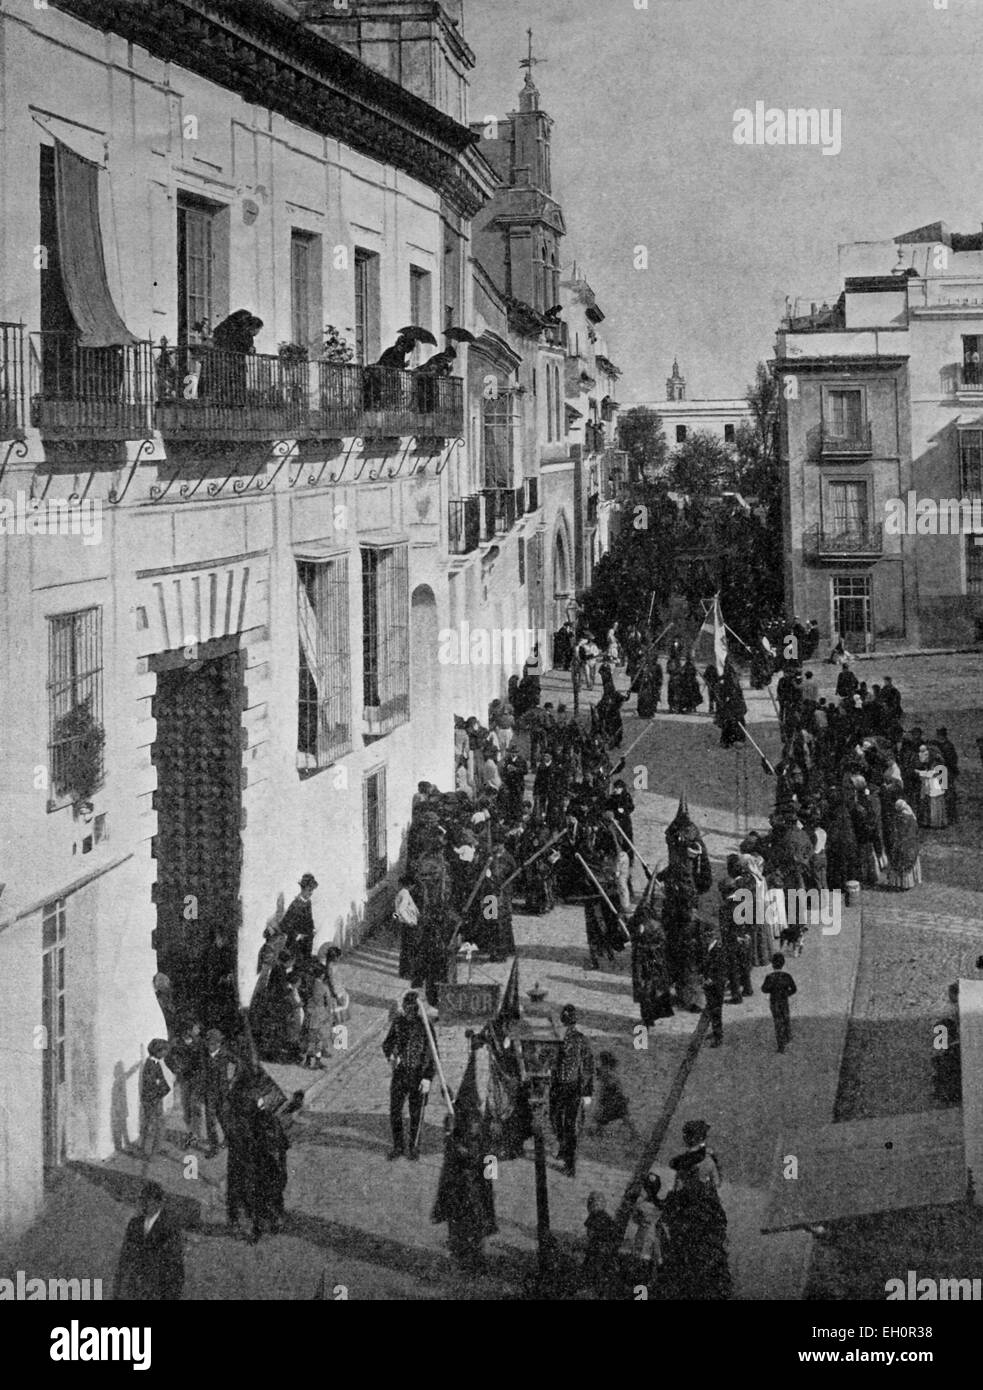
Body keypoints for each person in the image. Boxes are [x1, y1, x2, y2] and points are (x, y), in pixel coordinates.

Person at [382, 991, 436, 1160]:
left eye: (412, 1009)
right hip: (400, 1073)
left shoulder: (426, 1026)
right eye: (406, 1009)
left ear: (418, 1010)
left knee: (416, 1113)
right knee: (395, 1111)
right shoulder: (398, 1023)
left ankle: (413, 1147)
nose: (409, 1013)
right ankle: (398, 1146)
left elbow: (434, 1054)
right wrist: (391, 1055)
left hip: (418, 1075)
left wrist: (428, 1077)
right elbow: (387, 1043)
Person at [114, 1182, 185, 1300]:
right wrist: (117, 1289)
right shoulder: (134, 1224)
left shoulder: (169, 1227)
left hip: (156, 1291)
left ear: (158, 1202)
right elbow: (124, 1258)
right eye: (143, 1200)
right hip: (133, 1290)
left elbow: (175, 1267)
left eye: (148, 1200)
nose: (144, 1204)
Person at [550, 1004, 594, 1177]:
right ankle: (562, 1146)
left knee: (571, 1125)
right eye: (566, 1023)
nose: (568, 1027)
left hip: (573, 1088)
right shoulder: (557, 1038)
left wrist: (587, 1093)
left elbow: (589, 1067)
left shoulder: (582, 1040)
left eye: (570, 1023)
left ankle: (570, 1163)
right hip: (557, 1087)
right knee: (555, 1118)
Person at [581, 1192, 621, 1298]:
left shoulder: (601, 1217)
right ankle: (597, 1288)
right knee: (595, 1267)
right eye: (593, 1205)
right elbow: (590, 1232)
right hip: (599, 1247)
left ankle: (599, 1290)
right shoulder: (597, 1217)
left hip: (601, 1247)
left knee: (598, 1268)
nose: (595, 1207)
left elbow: (592, 1233)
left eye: (597, 1205)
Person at [201, 1028, 233, 1157]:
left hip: (223, 1093)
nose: (210, 1046)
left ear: (219, 1044)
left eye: (213, 1044)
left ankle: (228, 1138)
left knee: (223, 1118)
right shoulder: (204, 1055)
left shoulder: (225, 1054)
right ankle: (214, 1148)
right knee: (210, 1121)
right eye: (208, 1043)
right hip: (209, 1093)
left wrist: (233, 1080)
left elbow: (240, 1064)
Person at [139, 1040, 171, 1159]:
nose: (166, 1053)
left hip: (154, 1098)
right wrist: (160, 1090)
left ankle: (152, 1149)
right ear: (158, 1051)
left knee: (153, 1124)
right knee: (153, 1125)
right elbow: (152, 1084)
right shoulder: (151, 1065)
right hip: (152, 1100)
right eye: (164, 1050)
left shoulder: (154, 1063)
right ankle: (150, 1152)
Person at [761, 951, 797, 1052]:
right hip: (784, 1000)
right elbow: (794, 989)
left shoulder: (769, 977)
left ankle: (780, 1044)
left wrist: (771, 990)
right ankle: (787, 1035)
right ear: (783, 963)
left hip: (774, 1001)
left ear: (772, 964)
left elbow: (764, 989)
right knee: (786, 1017)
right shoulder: (787, 976)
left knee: (777, 1022)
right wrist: (787, 993)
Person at [279, 873, 318, 960]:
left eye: (312, 890)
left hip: (307, 942)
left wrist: (313, 929)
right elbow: (284, 925)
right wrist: (297, 935)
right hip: (295, 944)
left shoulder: (308, 903)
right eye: (309, 890)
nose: (311, 893)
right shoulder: (295, 904)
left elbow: (309, 919)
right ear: (303, 889)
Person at [887, 798, 922, 891]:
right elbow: (916, 833)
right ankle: (909, 882)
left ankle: (898, 883)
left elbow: (892, 834)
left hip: (900, 847)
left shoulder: (895, 819)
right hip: (910, 847)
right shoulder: (911, 818)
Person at [395, 874, 422, 981]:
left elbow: (396, 912)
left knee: (405, 949)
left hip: (405, 925)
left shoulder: (401, 893)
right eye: (413, 886)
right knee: (410, 949)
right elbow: (401, 910)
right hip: (409, 925)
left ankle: (404, 972)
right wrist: (409, 921)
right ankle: (408, 973)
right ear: (409, 885)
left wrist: (397, 919)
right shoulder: (405, 894)